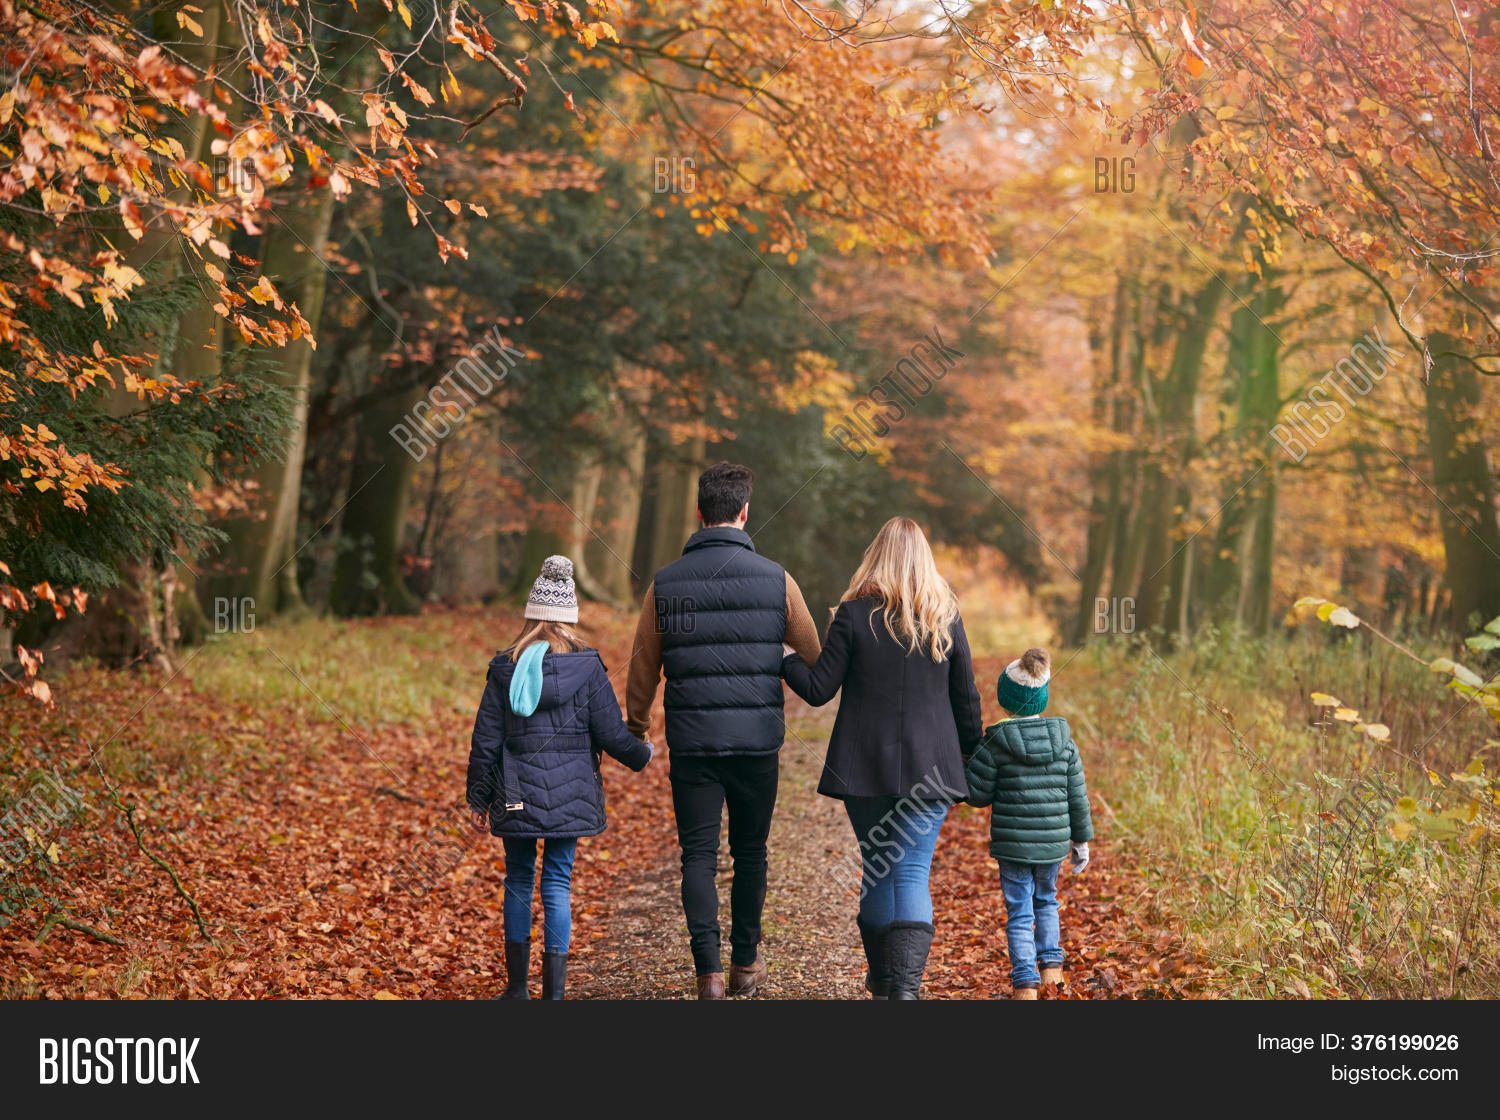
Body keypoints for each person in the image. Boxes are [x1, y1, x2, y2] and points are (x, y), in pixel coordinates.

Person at [626, 462, 822, 999]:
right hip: (758, 741)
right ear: (744, 512)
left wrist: (637, 727)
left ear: (698, 513)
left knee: (697, 855)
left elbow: (643, 665)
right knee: (751, 852)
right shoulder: (778, 580)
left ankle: (708, 972)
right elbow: (814, 655)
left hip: (692, 744)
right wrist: (779, 659)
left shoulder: (665, 584)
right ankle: (744, 964)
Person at [780, 516, 983, 1000]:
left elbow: (817, 689)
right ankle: (905, 991)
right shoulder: (945, 616)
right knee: (911, 872)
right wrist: (971, 755)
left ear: (876, 556)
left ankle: (884, 983)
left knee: (878, 868)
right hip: (933, 770)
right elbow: (967, 699)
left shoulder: (853, 615)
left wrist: (785, 656)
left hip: (864, 766)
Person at [467, 555, 653, 1000]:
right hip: (571, 792)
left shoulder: (505, 668)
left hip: (515, 791)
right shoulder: (588, 668)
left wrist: (477, 798)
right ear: (569, 617)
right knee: (556, 881)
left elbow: (485, 740)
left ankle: (516, 990)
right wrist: (642, 754)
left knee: (517, 877)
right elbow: (611, 733)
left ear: (532, 614)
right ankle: (554, 994)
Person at [963, 646, 1094, 999]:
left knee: (1020, 911)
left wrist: (966, 763)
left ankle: (1025, 986)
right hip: (1052, 845)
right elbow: (1077, 797)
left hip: (1013, 846)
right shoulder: (1065, 743)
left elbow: (977, 795)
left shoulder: (995, 744)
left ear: (1004, 700)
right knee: (1047, 901)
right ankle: (1053, 972)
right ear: (1042, 700)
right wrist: (1081, 842)